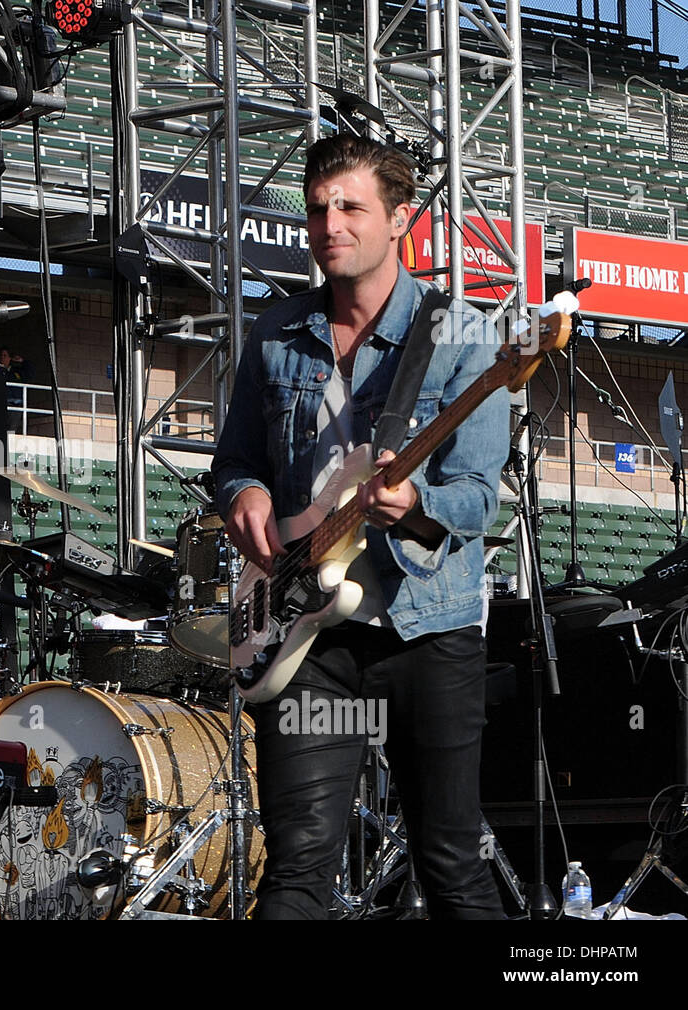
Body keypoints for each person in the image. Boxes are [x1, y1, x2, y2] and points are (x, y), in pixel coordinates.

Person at [213, 133, 508, 919]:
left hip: (429, 636)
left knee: (451, 867)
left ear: (400, 218)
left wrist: (416, 506)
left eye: (350, 207)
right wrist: (244, 495)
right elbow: (234, 461)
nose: (329, 225)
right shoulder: (276, 335)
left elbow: (483, 498)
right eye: (317, 210)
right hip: (311, 641)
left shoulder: (467, 338)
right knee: (297, 872)